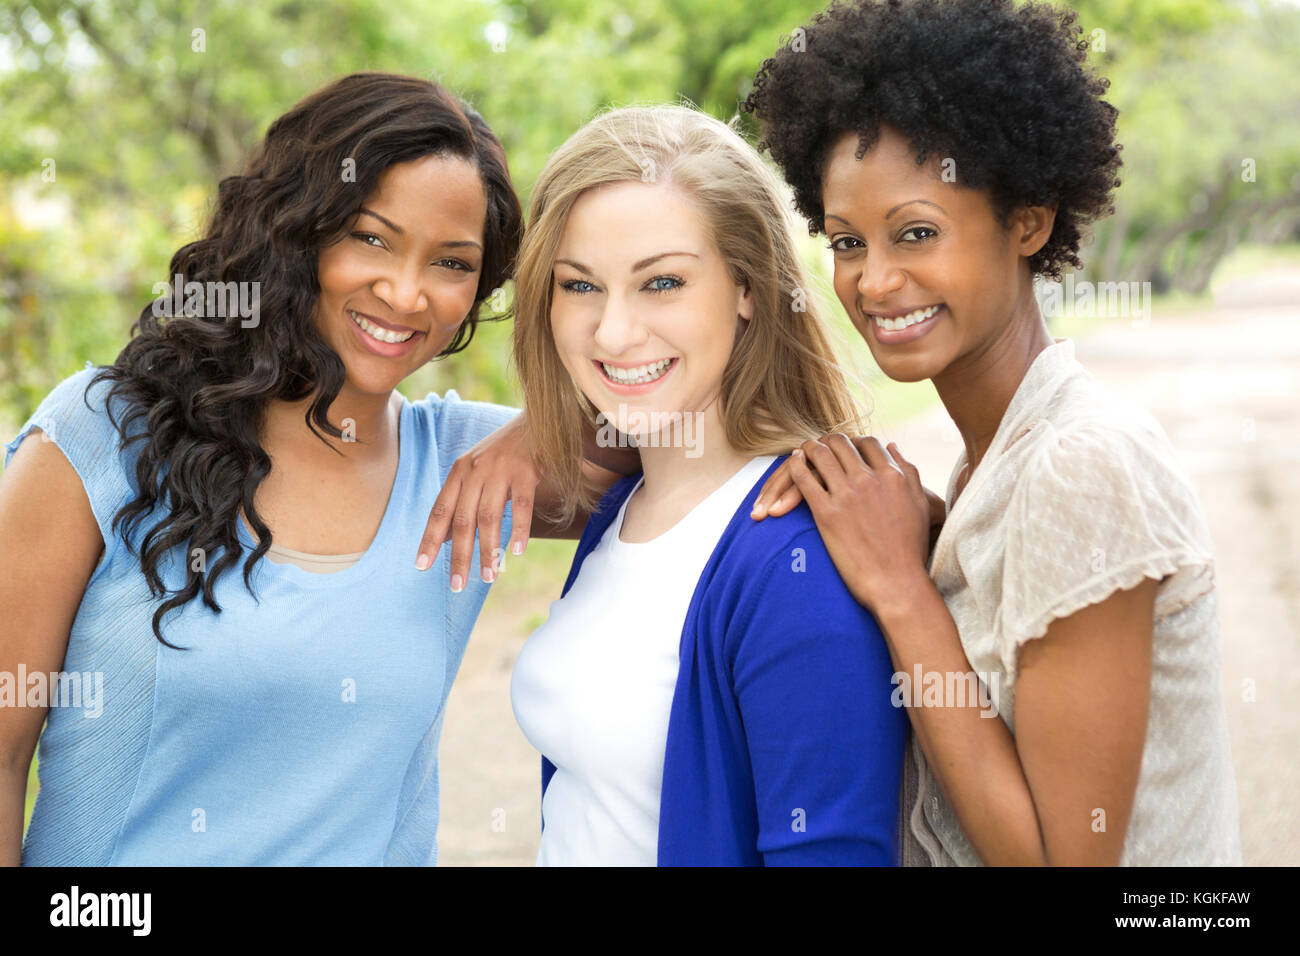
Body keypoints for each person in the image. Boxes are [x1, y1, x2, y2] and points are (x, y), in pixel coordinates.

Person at [0, 72, 560, 865]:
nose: (405, 293)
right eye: (370, 237)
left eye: (452, 264)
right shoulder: (100, 434)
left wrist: (542, 425)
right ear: (294, 229)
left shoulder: (468, 464)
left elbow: (707, 429)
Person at [742, 0, 1242, 865]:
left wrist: (902, 588)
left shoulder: (1082, 465)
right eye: (848, 240)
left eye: (918, 233)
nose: (875, 279)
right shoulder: (993, 465)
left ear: (1028, 221)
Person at [498, 104, 908, 865]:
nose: (614, 332)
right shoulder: (624, 509)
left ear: (748, 287)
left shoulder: (795, 559)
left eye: (661, 283)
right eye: (580, 286)